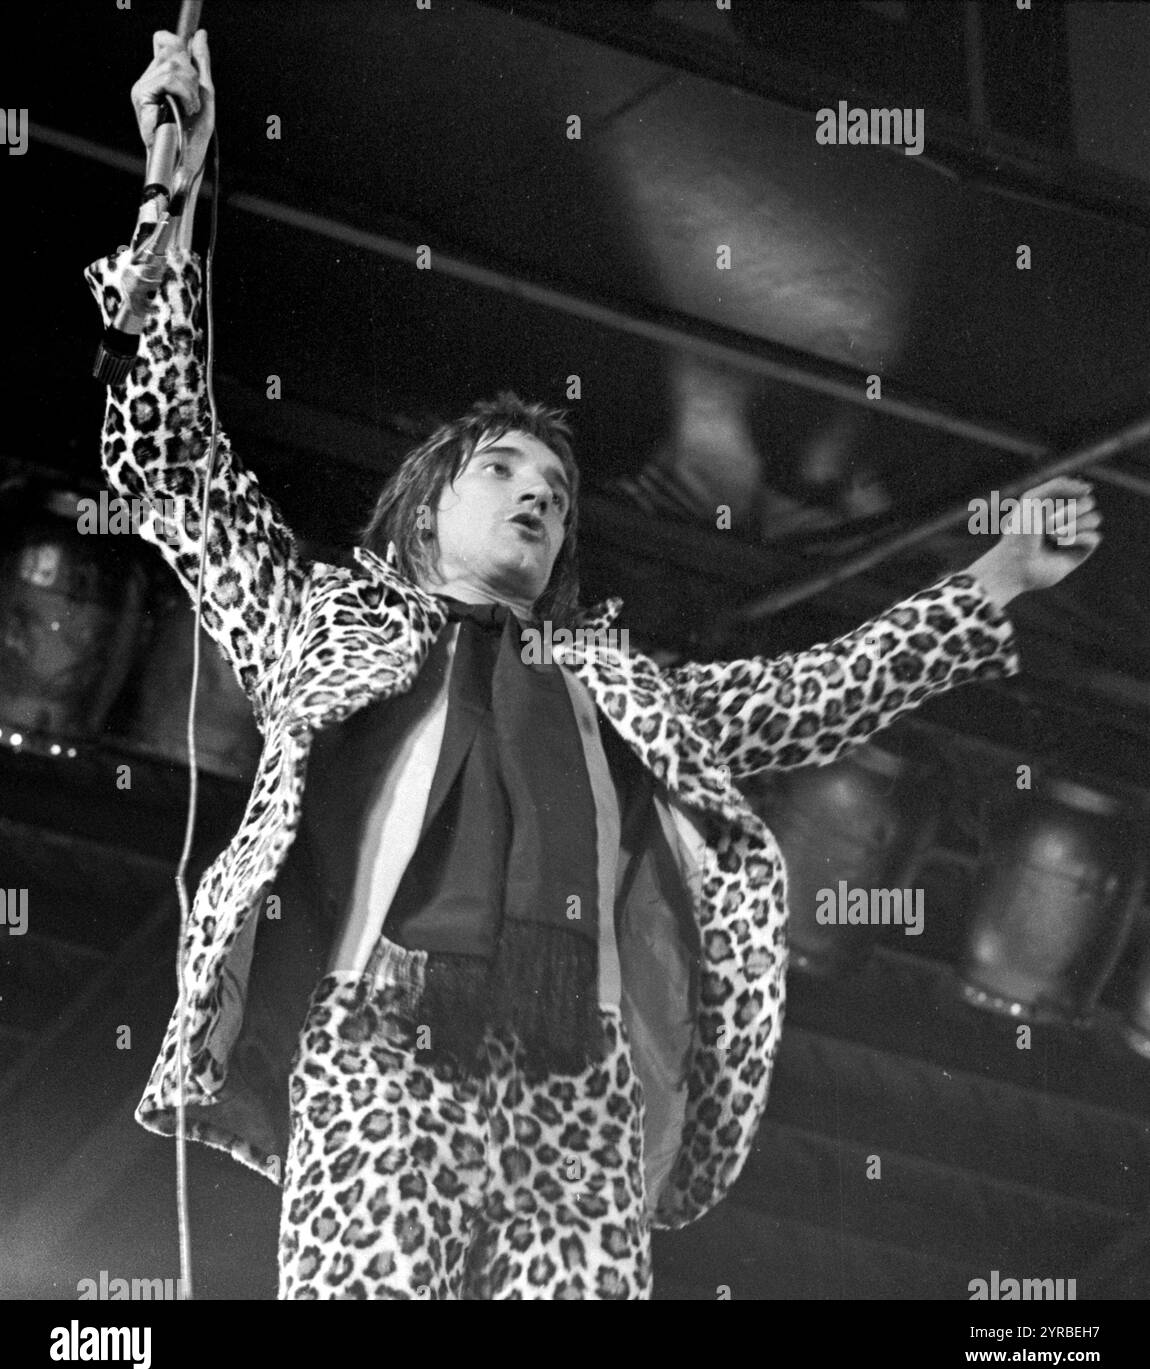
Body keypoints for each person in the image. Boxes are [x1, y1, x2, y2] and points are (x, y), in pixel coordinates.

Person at [85, 29, 1101, 1300]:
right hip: (382, 1046)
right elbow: (168, 464)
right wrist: (166, 184)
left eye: (557, 492)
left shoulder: (614, 690)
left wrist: (994, 579)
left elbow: (811, 693)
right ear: (420, 515)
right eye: (501, 471)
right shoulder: (321, 621)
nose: (535, 497)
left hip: (582, 1083)